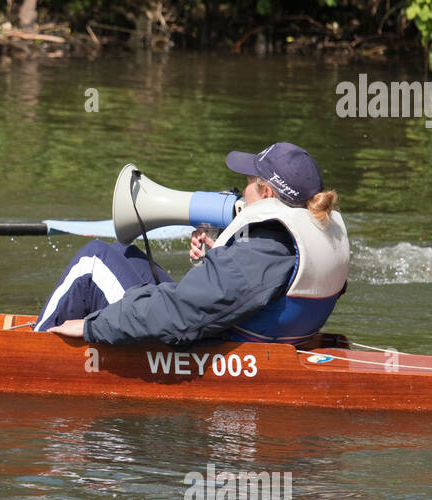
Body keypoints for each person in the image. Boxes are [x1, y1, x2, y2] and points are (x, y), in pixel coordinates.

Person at [39, 142, 349, 347]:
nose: (242, 192)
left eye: (247, 183)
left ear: (266, 193)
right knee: (122, 254)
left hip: (206, 345)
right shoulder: (316, 229)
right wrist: (221, 257)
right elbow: (266, 292)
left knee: (92, 262)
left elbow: (183, 313)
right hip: (257, 338)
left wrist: (93, 326)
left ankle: (31, 347)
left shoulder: (264, 248)